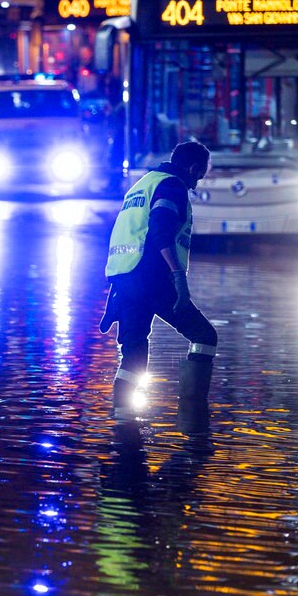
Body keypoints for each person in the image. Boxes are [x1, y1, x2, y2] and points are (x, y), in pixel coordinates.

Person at [99, 140, 218, 419]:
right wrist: (178, 277)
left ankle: (123, 425)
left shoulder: (142, 185)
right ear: (192, 168)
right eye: (199, 176)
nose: (196, 184)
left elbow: (128, 235)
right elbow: (160, 231)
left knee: (134, 353)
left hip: (125, 280)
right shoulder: (172, 186)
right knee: (204, 336)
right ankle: (193, 415)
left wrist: (117, 291)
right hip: (151, 278)